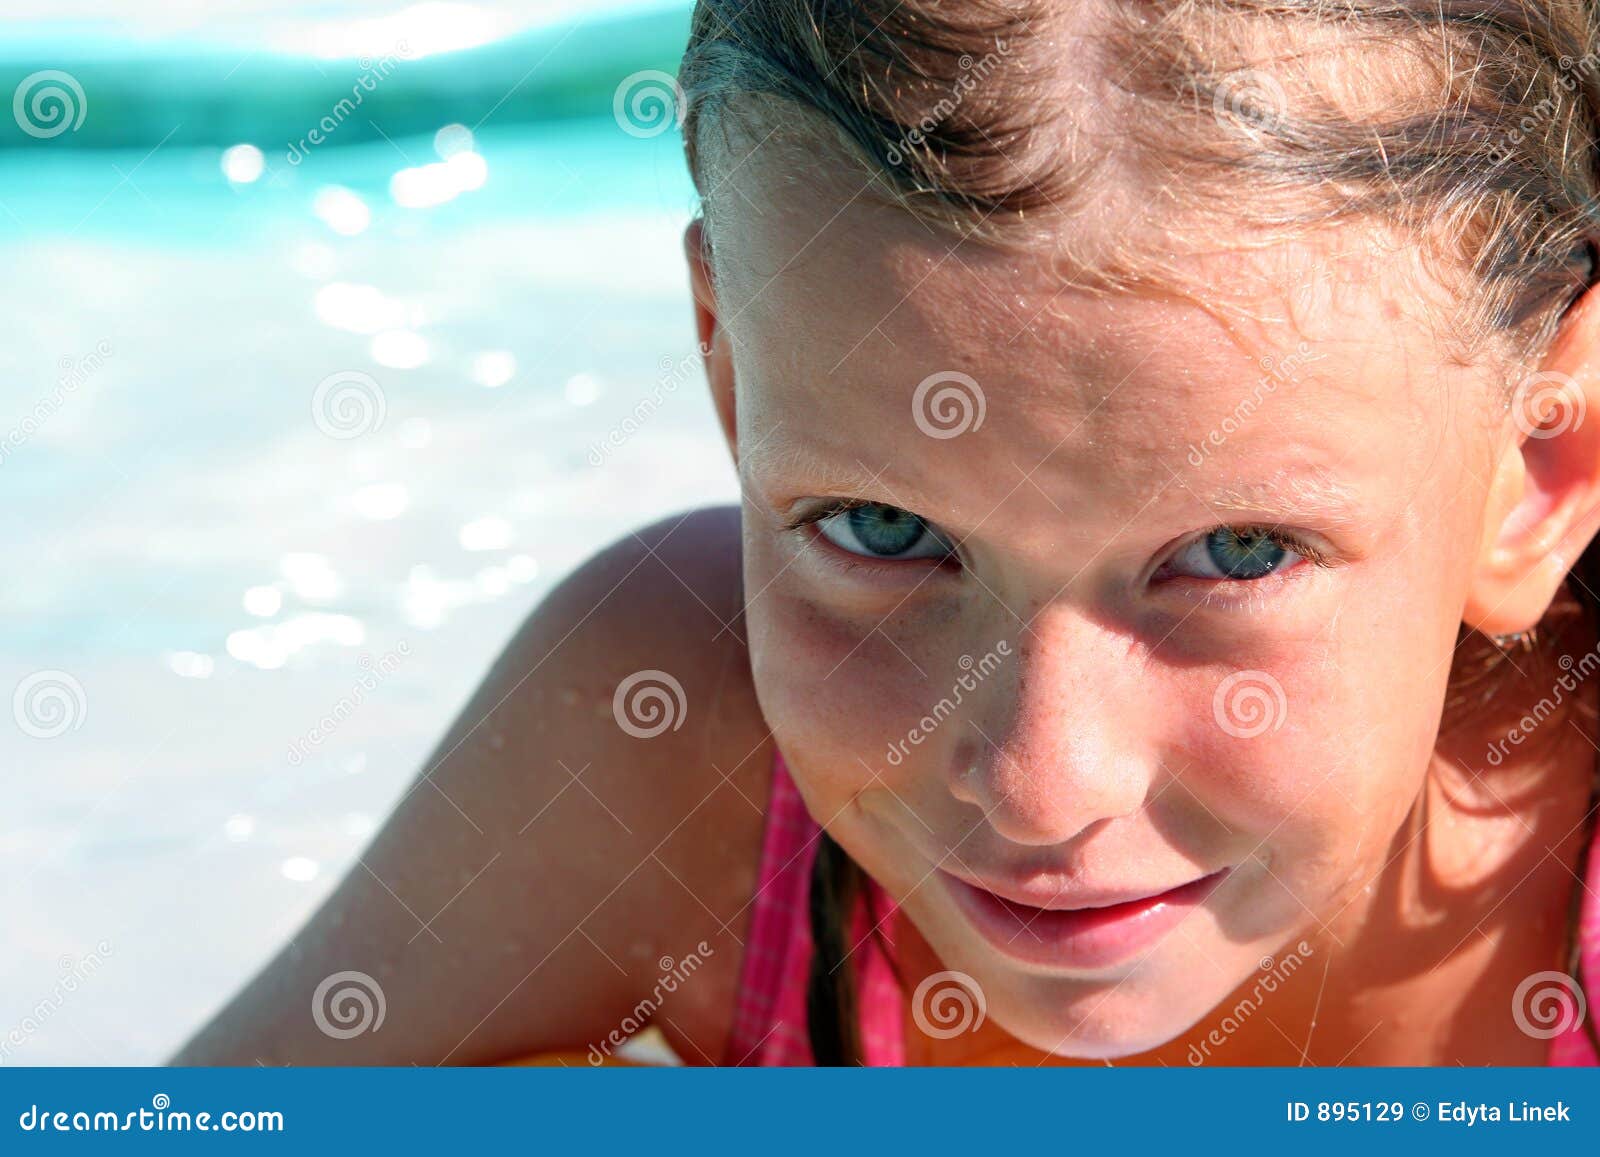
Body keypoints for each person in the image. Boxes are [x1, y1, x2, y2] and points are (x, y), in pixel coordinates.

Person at [175, 0, 1600, 1066]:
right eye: (880, 526)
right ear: (729, 371)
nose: (1041, 785)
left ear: (1544, 458)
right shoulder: (671, 748)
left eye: (1235, 553)